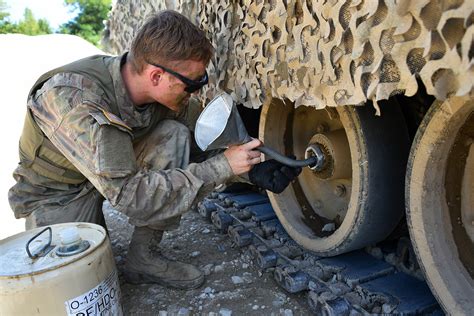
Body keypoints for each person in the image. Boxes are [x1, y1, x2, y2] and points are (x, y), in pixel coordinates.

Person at [8, 10, 301, 289]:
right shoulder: (75, 101)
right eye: (192, 83)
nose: (196, 91)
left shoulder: (164, 95)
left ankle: (143, 257)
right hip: (61, 193)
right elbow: (130, 197)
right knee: (81, 285)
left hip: (113, 169)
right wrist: (224, 167)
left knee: (173, 135)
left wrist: (250, 169)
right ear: (157, 77)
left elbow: (202, 148)